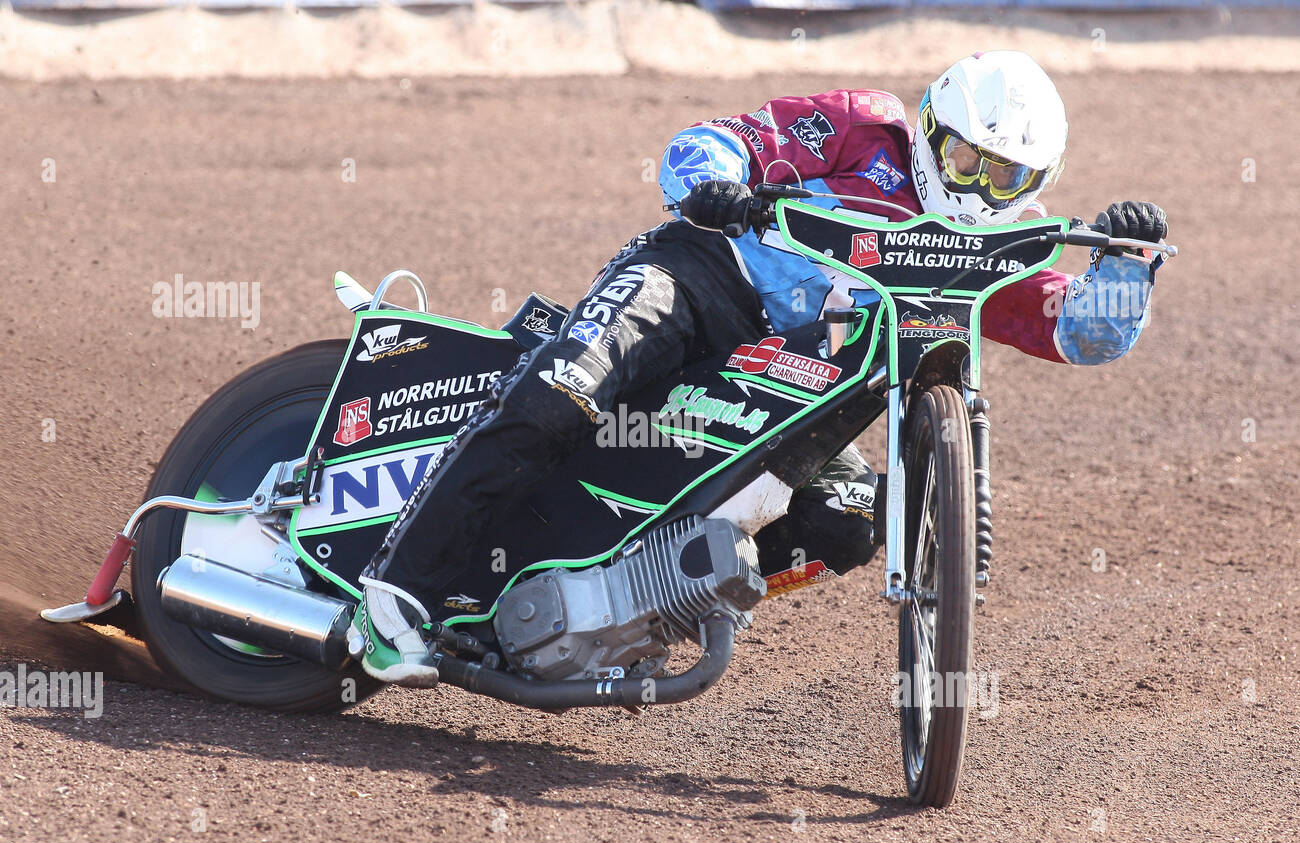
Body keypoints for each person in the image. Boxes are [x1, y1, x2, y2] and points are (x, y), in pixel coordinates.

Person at [351, 50, 1169, 686]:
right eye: (964, 159)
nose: (979, 189)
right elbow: (711, 142)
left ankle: (644, 611)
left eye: (1008, 177)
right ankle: (393, 598)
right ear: (929, 127)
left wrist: (1128, 267)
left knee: (851, 517)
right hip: (704, 278)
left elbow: (1084, 335)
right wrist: (717, 186)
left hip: (789, 381)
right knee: (567, 386)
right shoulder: (863, 126)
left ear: (1040, 184)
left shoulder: (993, 258)